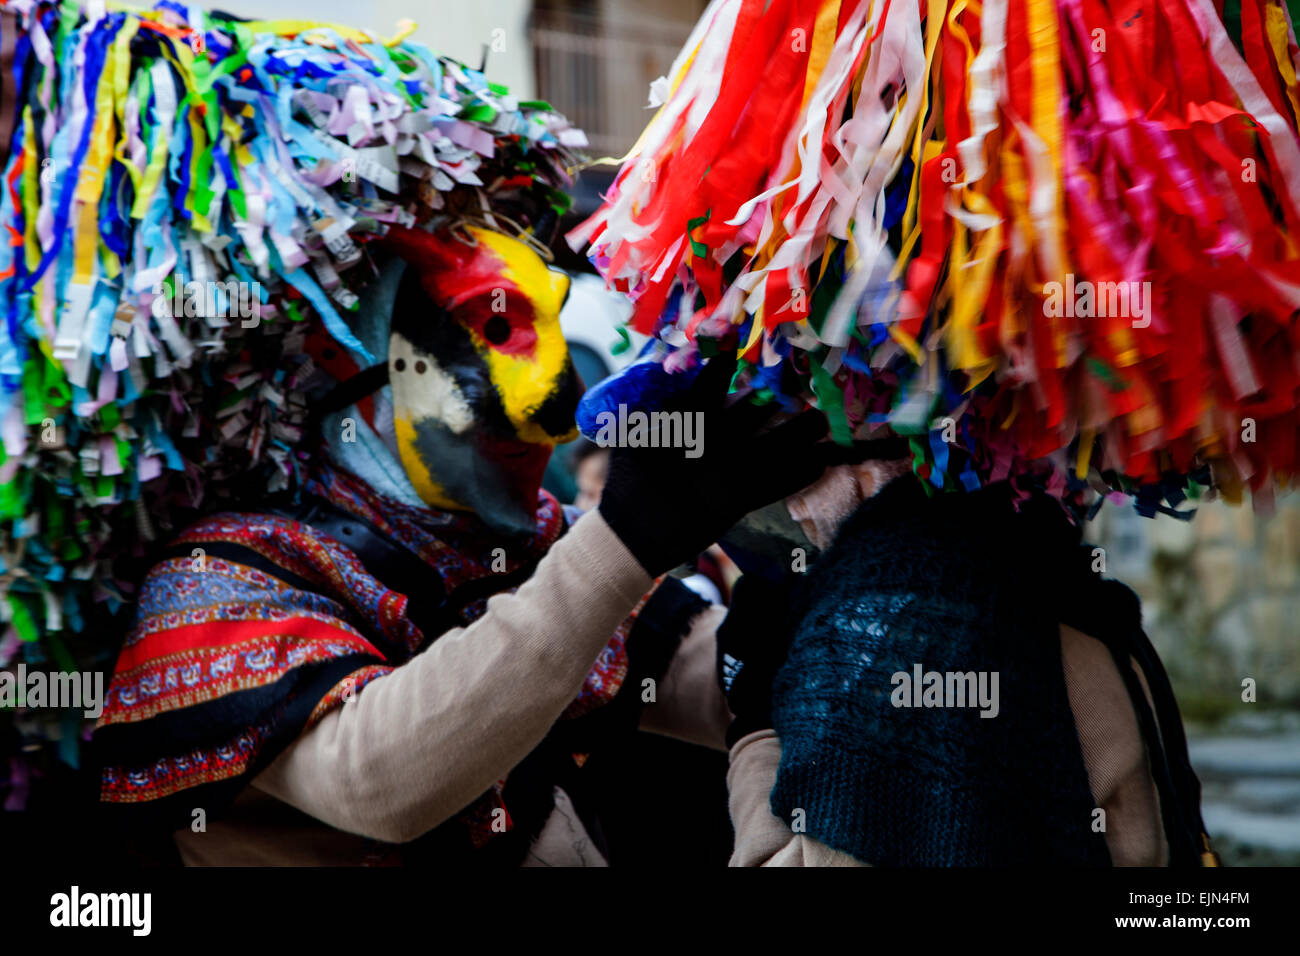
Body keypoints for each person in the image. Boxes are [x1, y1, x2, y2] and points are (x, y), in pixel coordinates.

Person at [718, 460, 1216, 866]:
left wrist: (755, 733)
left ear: (878, 466)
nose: (794, 506)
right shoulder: (1059, 587)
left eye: (812, 470)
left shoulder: (898, 625)